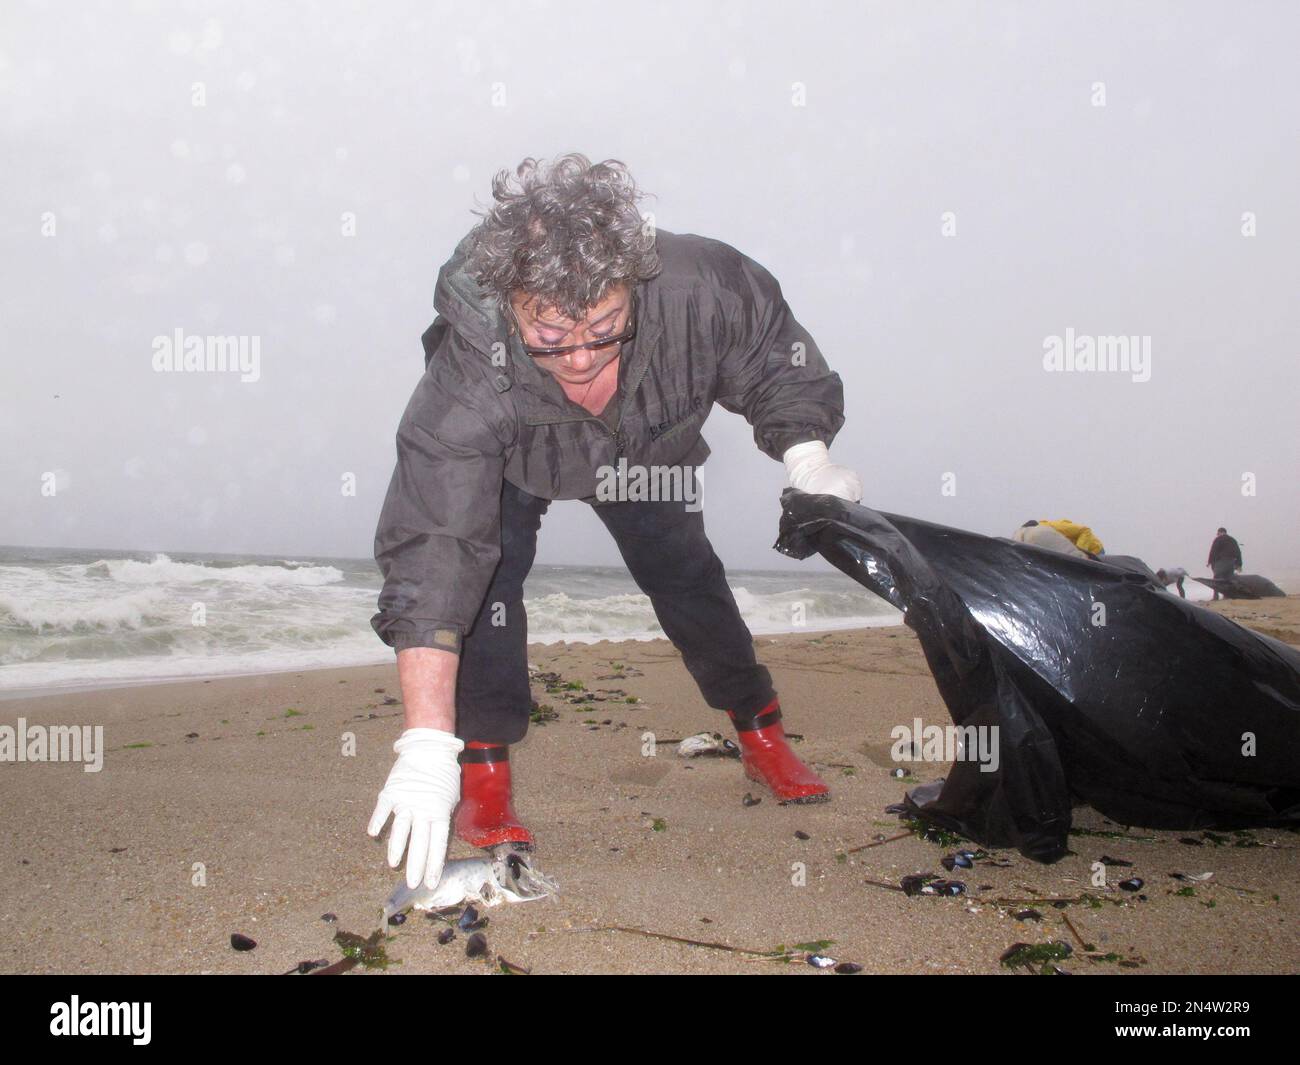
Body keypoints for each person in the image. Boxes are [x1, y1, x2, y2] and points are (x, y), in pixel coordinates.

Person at [366, 154, 863, 891]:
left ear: (634, 282)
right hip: (518, 459)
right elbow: (435, 547)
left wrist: (807, 457)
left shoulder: (699, 287)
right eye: (551, 337)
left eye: (604, 327)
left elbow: (770, 353)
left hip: (642, 448)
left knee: (688, 576)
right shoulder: (469, 374)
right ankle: (482, 769)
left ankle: (760, 729)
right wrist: (424, 742)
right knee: (487, 591)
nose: (581, 360)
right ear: (509, 303)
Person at [1012, 519, 1105, 559]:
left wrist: (1080, 553)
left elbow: (1085, 530)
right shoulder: (1043, 536)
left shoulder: (1052, 528)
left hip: (1095, 551)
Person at [1206, 527, 1243, 601]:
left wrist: (1210, 561)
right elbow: (1238, 552)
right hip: (1231, 562)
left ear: (1220, 532)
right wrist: (1239, 564)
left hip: (1221, 561)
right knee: (1228, 579)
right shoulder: (1233, 540)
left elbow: (1213, 550)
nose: (1217, 535)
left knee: (1216, 579)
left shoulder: (1218, 539)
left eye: (1218, 533)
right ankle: (1227, 596)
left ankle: (1215, 597)